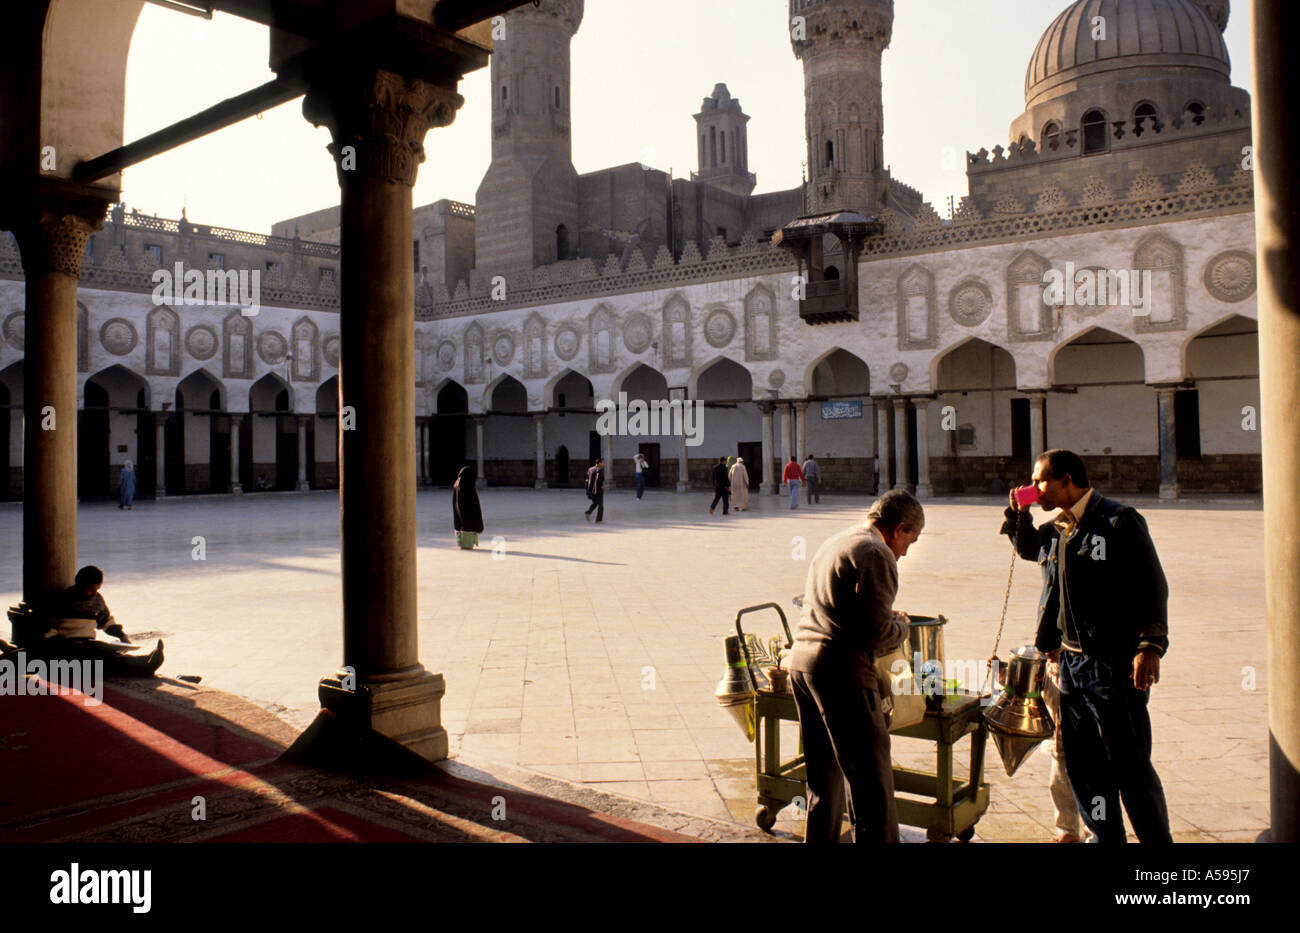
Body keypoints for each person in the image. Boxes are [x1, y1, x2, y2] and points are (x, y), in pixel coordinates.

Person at [999, 448, 1172, 844]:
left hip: (1111, 667)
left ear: (1067, 480)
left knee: (1130, 768)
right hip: (1070, 668)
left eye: (1040, 481)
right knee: (1085, 768)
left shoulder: (1117, 522)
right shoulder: (1059, 528)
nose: (1033, 488)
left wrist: (1149, 647)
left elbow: (1152, 586)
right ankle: (1107, 838)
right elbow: (1028, 550)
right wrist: (1019, 513)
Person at [788, 489, 924, 843]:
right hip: (841, 670)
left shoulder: (840, 539)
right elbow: (876, 633)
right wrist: (902, 625)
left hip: (803, 664)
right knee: (871, 785)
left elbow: (846, 608)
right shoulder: (877, 553)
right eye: (912, 539)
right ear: (898, 528)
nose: (907, 550)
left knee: (823, 779)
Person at [14, 565, 164, 677]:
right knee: (97, 662)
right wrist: (62, 642)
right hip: (64, 646)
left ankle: (146, 661)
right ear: (79, 584)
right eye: (91, 590)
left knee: (107, 654)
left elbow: (106, 621)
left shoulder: (97, 601)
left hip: (88, 644)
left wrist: (122, 636)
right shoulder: (61, 600)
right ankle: (143, 665)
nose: (94, 593)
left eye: (97, 589)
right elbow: (48, 629)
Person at [452, 465, 483, 549]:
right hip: (469, 522)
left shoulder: (457, 484)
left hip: (461, 523)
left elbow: (455, 506)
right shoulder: (468, 486)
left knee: (464, 543)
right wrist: (479, 525)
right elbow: (475, 506)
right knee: (468, 544)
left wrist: (457, 525)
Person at [584, 457, 605, 523]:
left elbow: (587, 480)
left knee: (595, 503)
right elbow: (599, 478)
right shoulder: (600, 469)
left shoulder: (590, 469)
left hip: (591, 490)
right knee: (601, 505)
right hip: (598, 489)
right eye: (602, 462)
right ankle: (599, 520)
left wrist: (586, 488)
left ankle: (588, 512)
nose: (603, 464)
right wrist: (601, 485)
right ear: (599, 463)